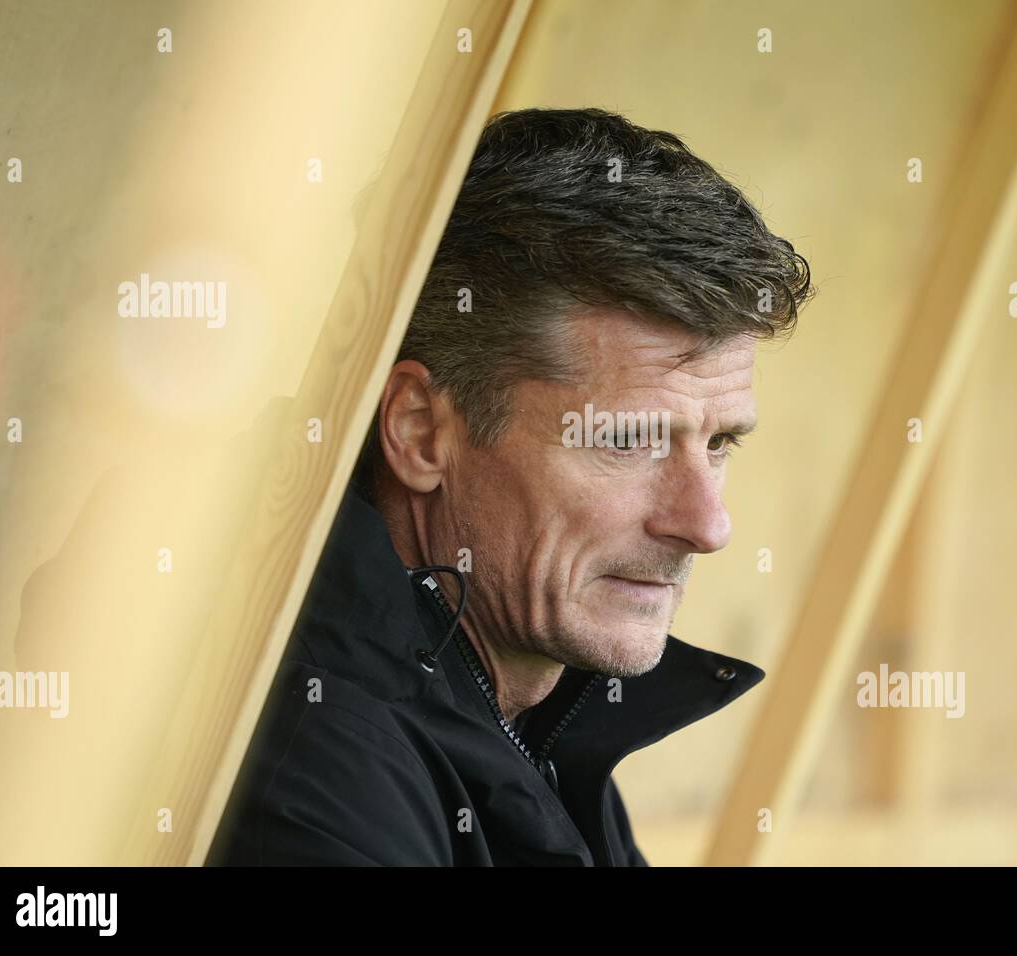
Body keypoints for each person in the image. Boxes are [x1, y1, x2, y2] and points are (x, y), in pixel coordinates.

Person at [206, 107, 813, 866]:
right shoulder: (313, 757)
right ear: (422, 432)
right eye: (628, 440)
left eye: (720, 443)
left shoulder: (532, 704)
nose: (707, 525)